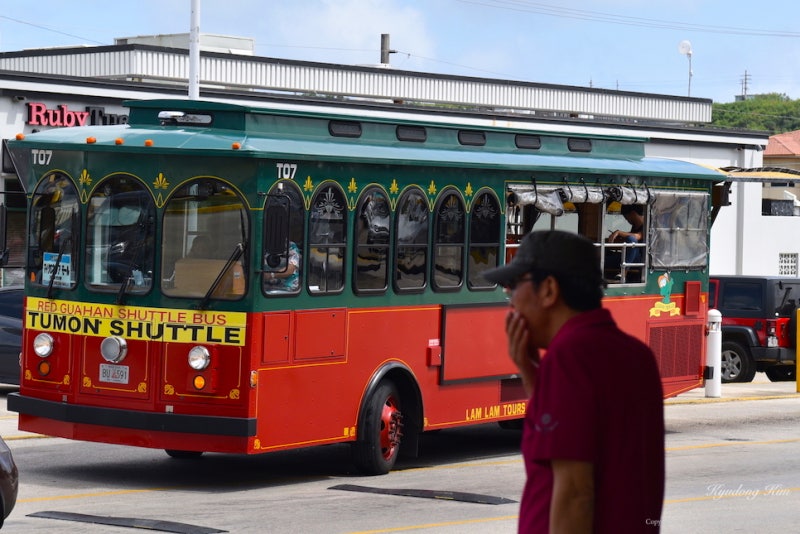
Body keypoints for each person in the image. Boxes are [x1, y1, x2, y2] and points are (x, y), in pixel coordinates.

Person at [483, 230, 664, 533]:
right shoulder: (637, 355)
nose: (511, 299)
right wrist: (532, 375)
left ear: (549, 290)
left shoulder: (569, 357)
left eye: (515, 285)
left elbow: (576, 494)